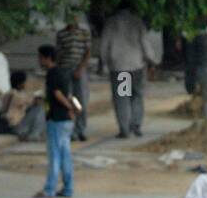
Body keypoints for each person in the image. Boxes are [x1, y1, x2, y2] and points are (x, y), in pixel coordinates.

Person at [99, 7, 159, 138]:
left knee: (123, 98)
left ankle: (124, 129)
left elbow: (104, 44)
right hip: (137, 65)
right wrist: (151, 60)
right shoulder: (137, 22)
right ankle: (136, 125)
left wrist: (104, 61)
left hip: (121, 68)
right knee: (137, 96)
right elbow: (145, 43)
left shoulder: (111, 22)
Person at [34, 44, 78, 198]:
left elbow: (57, 94)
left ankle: (49, 189)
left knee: (55, 155)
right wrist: (73, 108)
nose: (39, 60)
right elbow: (69, 93)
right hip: (66, 120)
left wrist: (68, 107)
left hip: (57, 118)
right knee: (65, 154)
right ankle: (68, 188)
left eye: (40, 57)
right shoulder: (64, 72)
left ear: (47, 58)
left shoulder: (52, 74)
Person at [57, 14, 93, 141]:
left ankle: (80, 129)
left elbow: (87, 52)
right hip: (65, 68)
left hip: (79, 69)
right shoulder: (61, 34)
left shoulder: (84, 33)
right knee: (68, 99)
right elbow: (59, 53)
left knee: (80, 100)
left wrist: (81, 68)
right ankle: (71, 130)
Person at [0, 70, 45, 140]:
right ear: (20, 84)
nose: (26, 84)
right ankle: (34, 135)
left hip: (9, 124)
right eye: (24, 82)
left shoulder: (8, 94)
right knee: (40, 109)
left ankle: (32, 133)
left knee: (32, 109)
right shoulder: (18, 96)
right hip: (16, 127)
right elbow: (34, 101)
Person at [181, 12, 207, 96]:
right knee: (203, 63)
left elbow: (180, 20)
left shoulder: (187, 3)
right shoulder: (206, 4)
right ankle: (201, 86)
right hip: (203, 36)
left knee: (190, 62)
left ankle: (191, 88)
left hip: (189, 36)